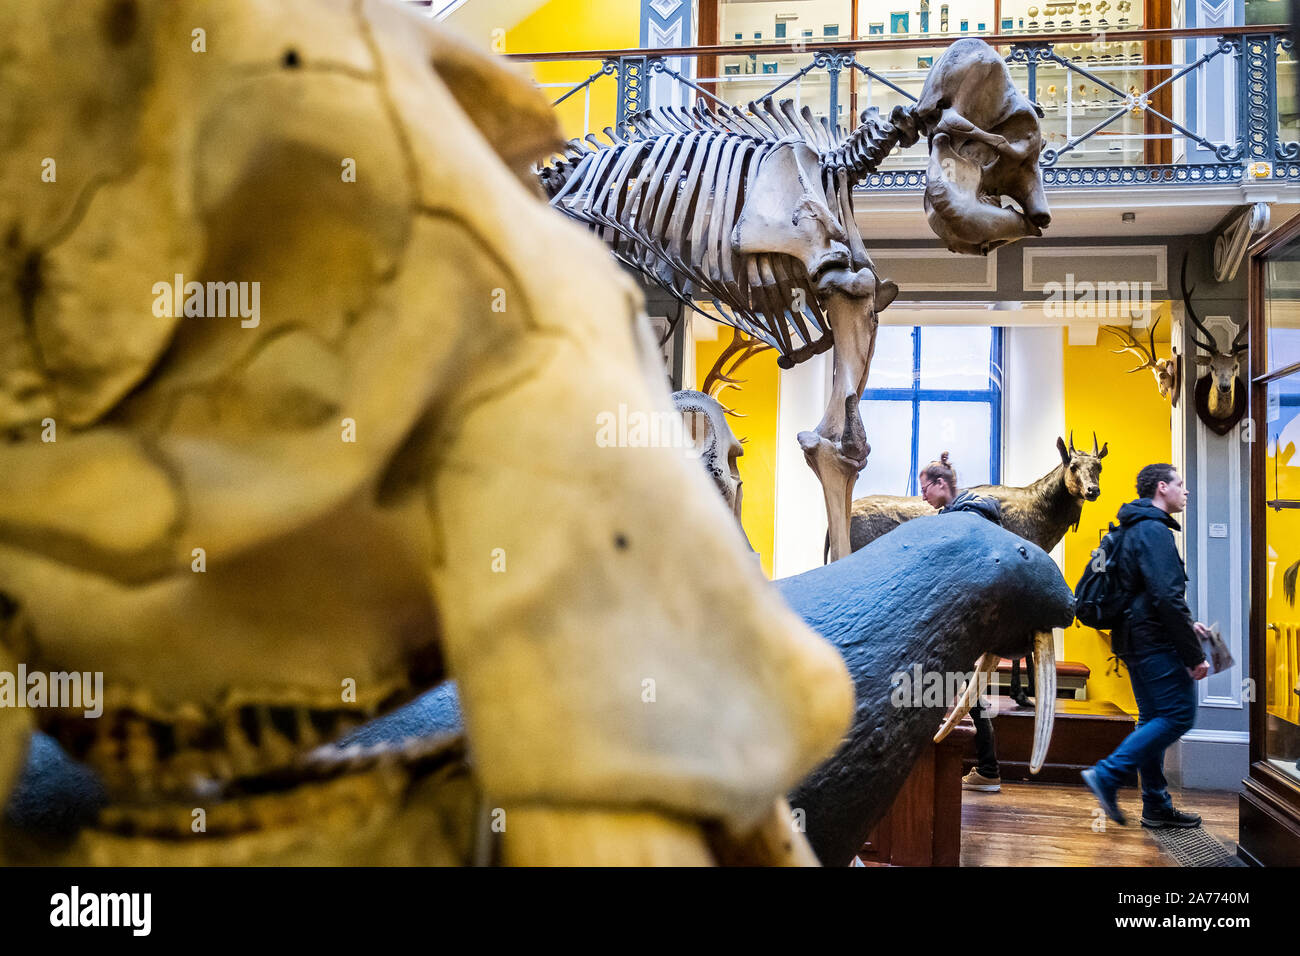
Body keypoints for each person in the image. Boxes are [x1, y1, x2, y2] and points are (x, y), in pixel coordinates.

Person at [1082, 463, 1210, 829]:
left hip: (1134, 640)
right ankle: (1107, 774)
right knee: (1178, 715)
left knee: (1153, 719)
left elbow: (1144, 594)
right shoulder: (1154, 531)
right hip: (1156, 643)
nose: (1185, 491)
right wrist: (1193, 654)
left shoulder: (1129, 529)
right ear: (1161, 488)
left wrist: (1188, 625)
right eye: (1180, 484)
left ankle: (1155, 804)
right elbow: (1167, 597)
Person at [919, 453, 1005, 792]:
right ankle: (985, 768)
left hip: (961, 622)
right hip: (962, 620)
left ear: (942, 484)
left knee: (961, 693)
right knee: (968, 693)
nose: (922, 495)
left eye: (925, 487)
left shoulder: (966, 520)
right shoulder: (971, 516)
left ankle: (983, 768)